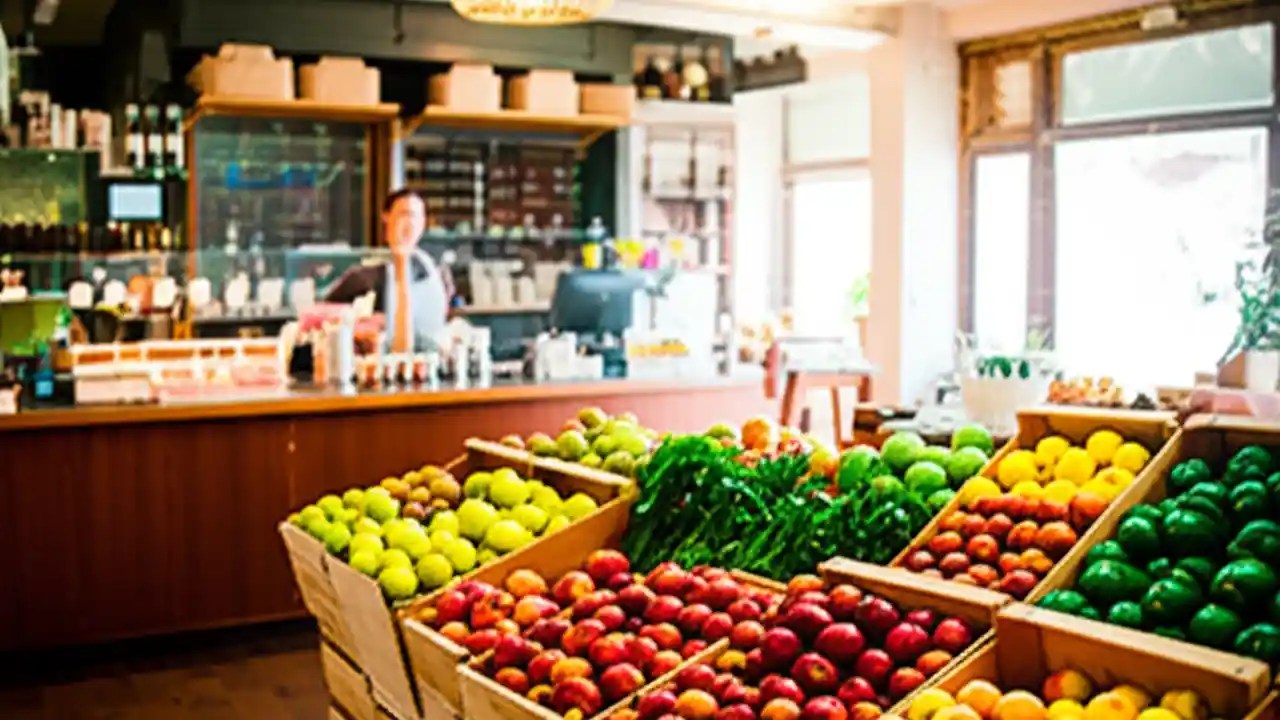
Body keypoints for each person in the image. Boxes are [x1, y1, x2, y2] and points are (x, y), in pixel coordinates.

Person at [325, 189, 454, 352]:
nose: (411, 222)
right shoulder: (364, 276)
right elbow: (323, 315)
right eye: (404, 214)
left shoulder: (436, 272)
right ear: (386, 217)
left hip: (426, 364)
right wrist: (359, 322)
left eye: (417, 216)